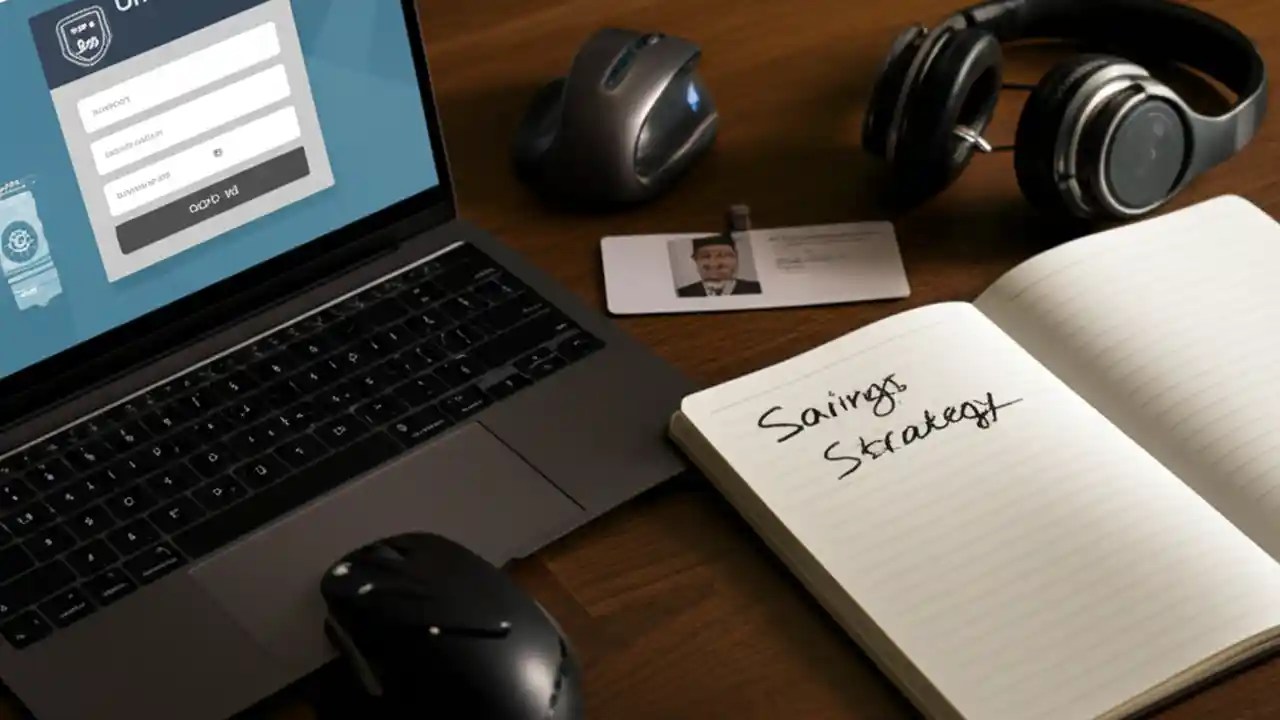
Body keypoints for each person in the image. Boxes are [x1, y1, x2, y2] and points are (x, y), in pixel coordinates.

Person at [676, 234, 762, 297]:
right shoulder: (682, 294)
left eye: (722, 255)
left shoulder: (756, 289)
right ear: (695, 259)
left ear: (736, 257)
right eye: (705, 256)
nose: (713, 263)